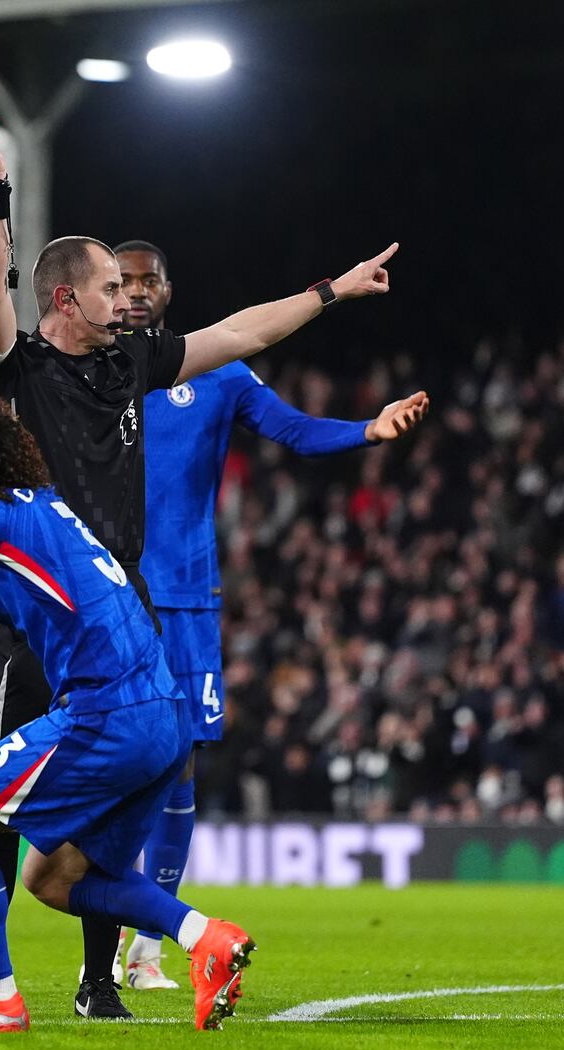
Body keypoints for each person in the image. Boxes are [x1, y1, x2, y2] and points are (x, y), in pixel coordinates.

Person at [0, 117, 401, 1021]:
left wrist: (330, 292)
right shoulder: (16, 367)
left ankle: (95, 981)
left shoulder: (130, 361)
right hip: (35, 615)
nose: (129, 298)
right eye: (110, 286)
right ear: (64, 297)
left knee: (70, 813)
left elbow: (243, 332)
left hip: (116, 601)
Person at [0, 385, 253, 1034]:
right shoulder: (46, 505)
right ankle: (207, 936)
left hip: (106, 714)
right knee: (55, 876)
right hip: (163, 715)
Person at [116, 240, 428, 989]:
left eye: (145, 281)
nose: (131, 294)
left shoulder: (217, 374)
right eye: (118, 283)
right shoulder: (85, 376)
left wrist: (365, 430)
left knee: (179, 764)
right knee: (119, 762)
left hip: (187, 596)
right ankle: (101, 939)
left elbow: (292, 428)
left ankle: (146, 950)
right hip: (108, 593)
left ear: (168, 289)